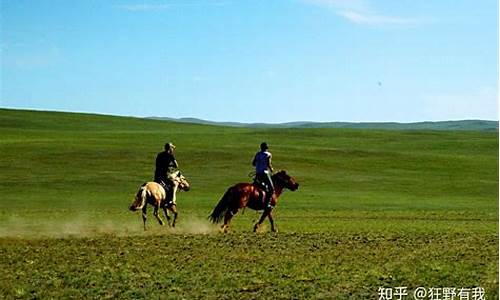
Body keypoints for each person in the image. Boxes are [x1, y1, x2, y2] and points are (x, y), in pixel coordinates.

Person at [252, 142, 274, 208]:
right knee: (271, 188)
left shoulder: (257, 154)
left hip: (258, 173)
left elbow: (253, 163)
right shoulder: (268, 154)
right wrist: (272, 169)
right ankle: (268, 204)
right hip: (264, 173)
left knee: (255, 186)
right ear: (267, 148)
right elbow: (268, 164)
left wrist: (259, 164)